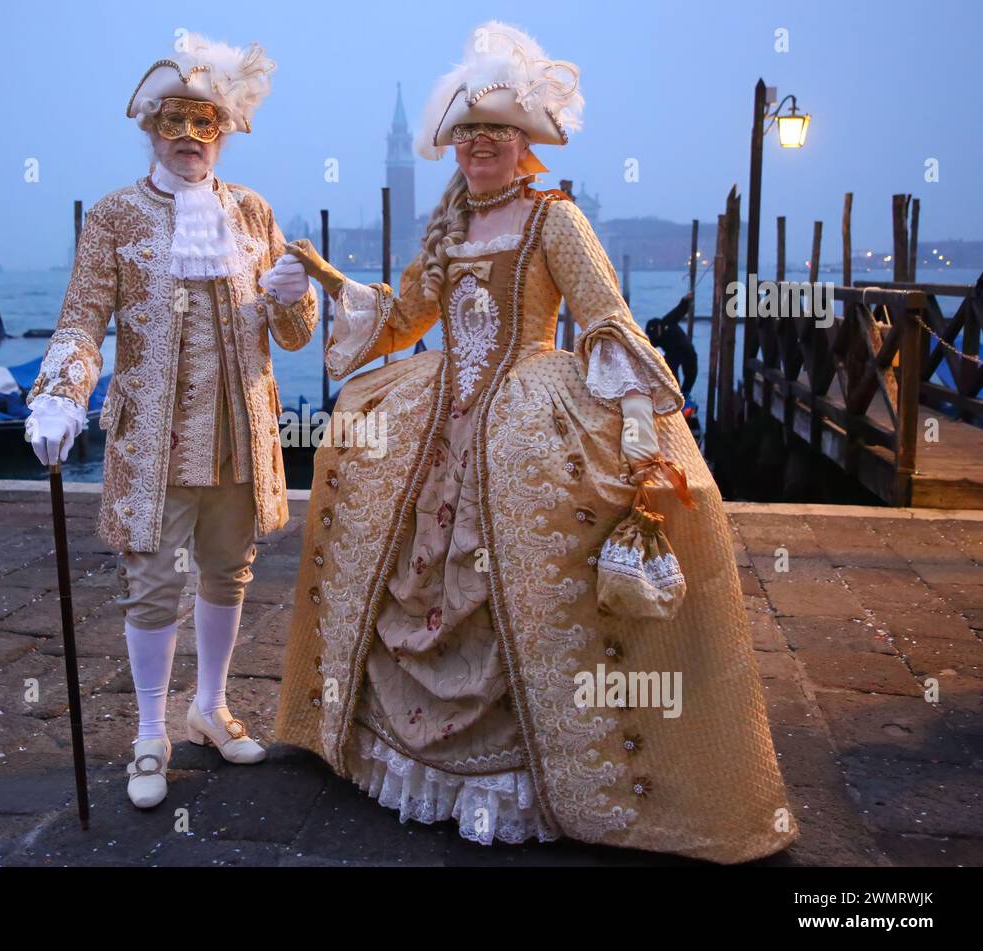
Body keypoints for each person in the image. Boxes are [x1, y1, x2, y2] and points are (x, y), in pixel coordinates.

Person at [274, 21, 796, 863]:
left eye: (498, 135)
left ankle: (532, 776)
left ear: (525, 146)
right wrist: (336, 289)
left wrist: (634, 425)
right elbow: (408, 319)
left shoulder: (557, 220)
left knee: (525, 573)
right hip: (440, 418)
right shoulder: (447, 231)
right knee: (415, 563)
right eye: (470, 136)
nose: (482, 147)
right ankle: (411, 759)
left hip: (527, 417)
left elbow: (604, 321)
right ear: (455, 149)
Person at [24, 32, 316, 809]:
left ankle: (209, 709)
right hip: (152, 441)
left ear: (226, 129)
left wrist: (293, 295)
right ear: (149, 128)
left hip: (240, 436)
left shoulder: (253, 211)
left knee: (230, 572)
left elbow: (294, 336)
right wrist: (59, 392)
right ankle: (150, 732)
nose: (189, 139)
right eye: (173, 123)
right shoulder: (117, 215)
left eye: (206, 124)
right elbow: (82, 319)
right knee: (151, 586)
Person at [644, 291, 698, 395]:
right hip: (672, 354)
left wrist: (685, 300)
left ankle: (686, 393)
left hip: (686, 350)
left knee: (691, 373)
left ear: (659, 327)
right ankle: (675, 393)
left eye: (656, 334)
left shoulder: (667, 321)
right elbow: (647, 348)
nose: (656, 337)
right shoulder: (654, 338)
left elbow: (679, 311)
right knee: (670, 374)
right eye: (653, 336)